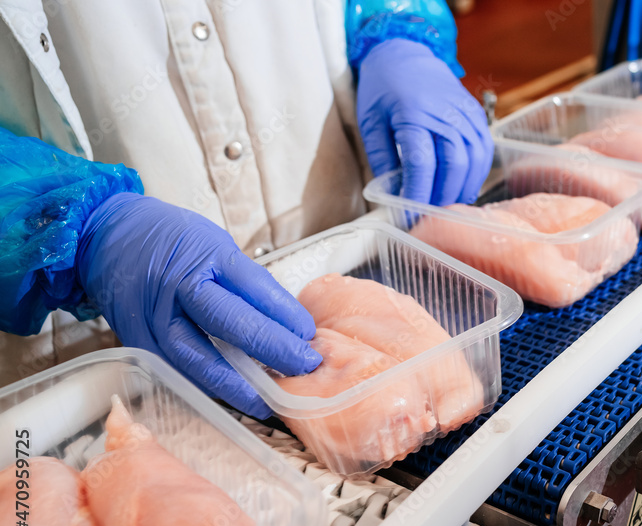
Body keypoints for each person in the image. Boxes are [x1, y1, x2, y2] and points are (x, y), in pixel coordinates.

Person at [0, 0, 493, 417]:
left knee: (417, 410)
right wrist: (84, 229)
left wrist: (395, 32)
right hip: (98, 359)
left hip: (344, 250)